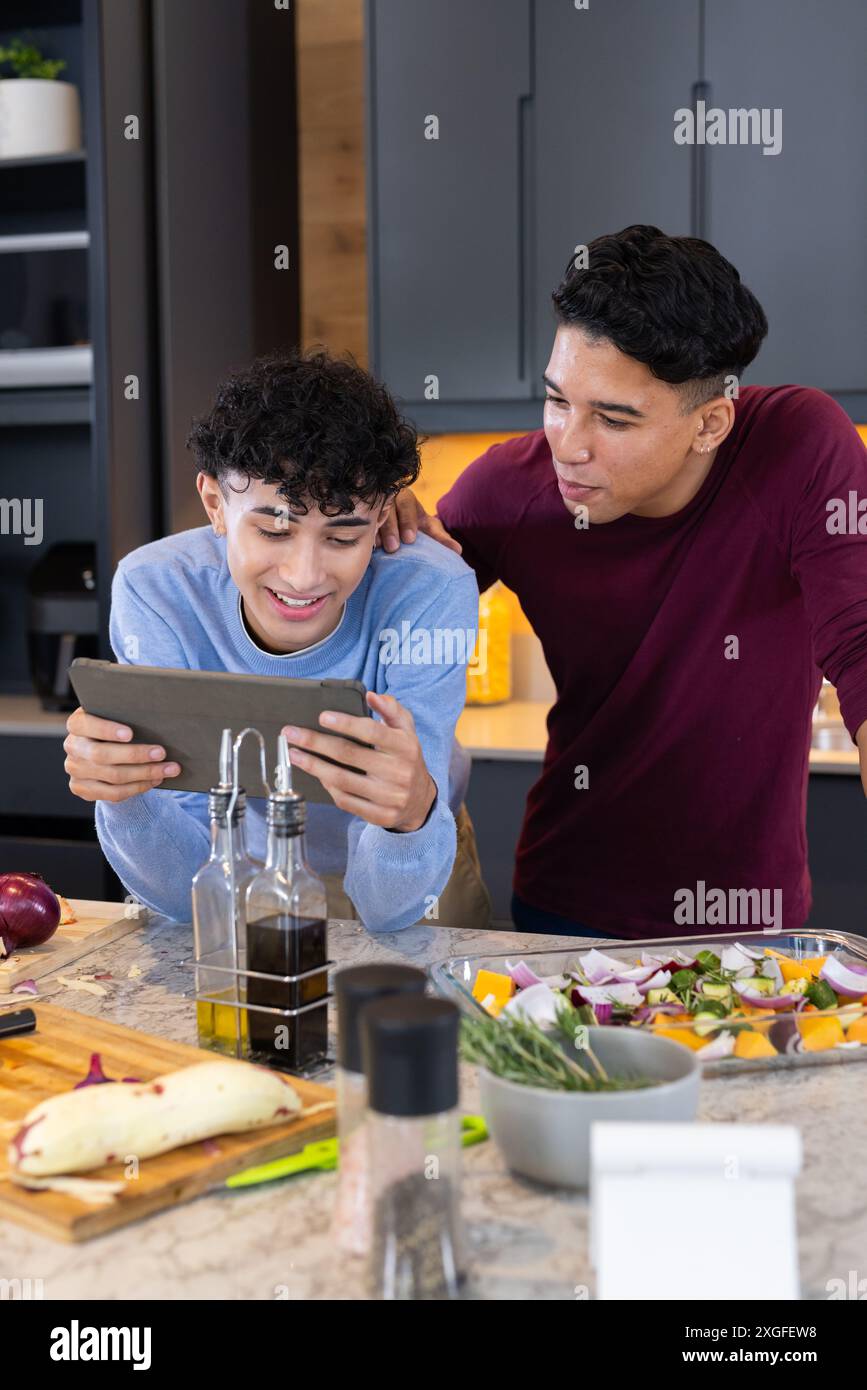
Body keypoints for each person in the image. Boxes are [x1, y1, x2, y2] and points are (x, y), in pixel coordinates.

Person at [378, 225, 867, 941]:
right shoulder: (507, 491)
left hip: (751, 918)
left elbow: (858, 647)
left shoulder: (800, 446)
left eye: (612, 418)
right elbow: (394, 622)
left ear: (709, 424)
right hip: (566, 910)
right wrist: (368, 527)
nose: (568, 445)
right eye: (556, 401)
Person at [63, 350, 492, 932]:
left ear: (383, 516)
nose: (304, 576)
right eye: (272, 530)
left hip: (413, 861)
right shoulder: (157, 591)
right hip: (247, 872)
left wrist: (410, 814)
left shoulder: (430, 590)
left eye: (344, 537)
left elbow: (388, 909)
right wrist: (125, 799)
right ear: (215, 505)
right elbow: (186, 888)